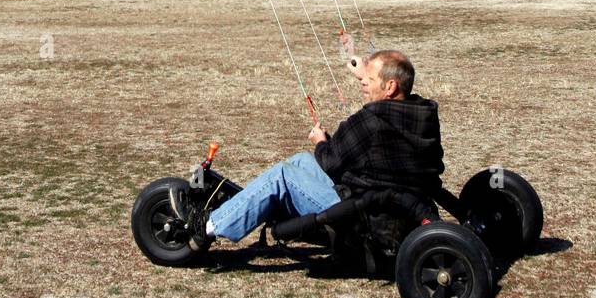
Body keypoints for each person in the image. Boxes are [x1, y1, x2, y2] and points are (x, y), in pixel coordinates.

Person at [169, 50, 444, 248]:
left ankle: (207, 227)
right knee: (301, 161)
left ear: (390, 86)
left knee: (284, 174)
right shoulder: (421, 113)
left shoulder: (371, 121)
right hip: (397, 209)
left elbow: (330, 162)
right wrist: (368, 69)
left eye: (369, 80)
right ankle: (261, 211)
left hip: (365, 219)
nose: (363, 83)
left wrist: (321, 141)